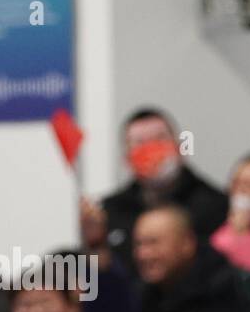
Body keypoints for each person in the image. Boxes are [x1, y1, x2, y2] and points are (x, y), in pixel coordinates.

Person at [85, 106, 228, 268]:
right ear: (126, 158)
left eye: (160, 139)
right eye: (140, 143)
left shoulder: (216, 206)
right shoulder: (110, 211)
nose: (152, 149)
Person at [132, 206, 246, 312]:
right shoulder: (141, 294)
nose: (143, 254)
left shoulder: (224, 288)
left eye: (153, 243)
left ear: (187, 243)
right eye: (139, 244)